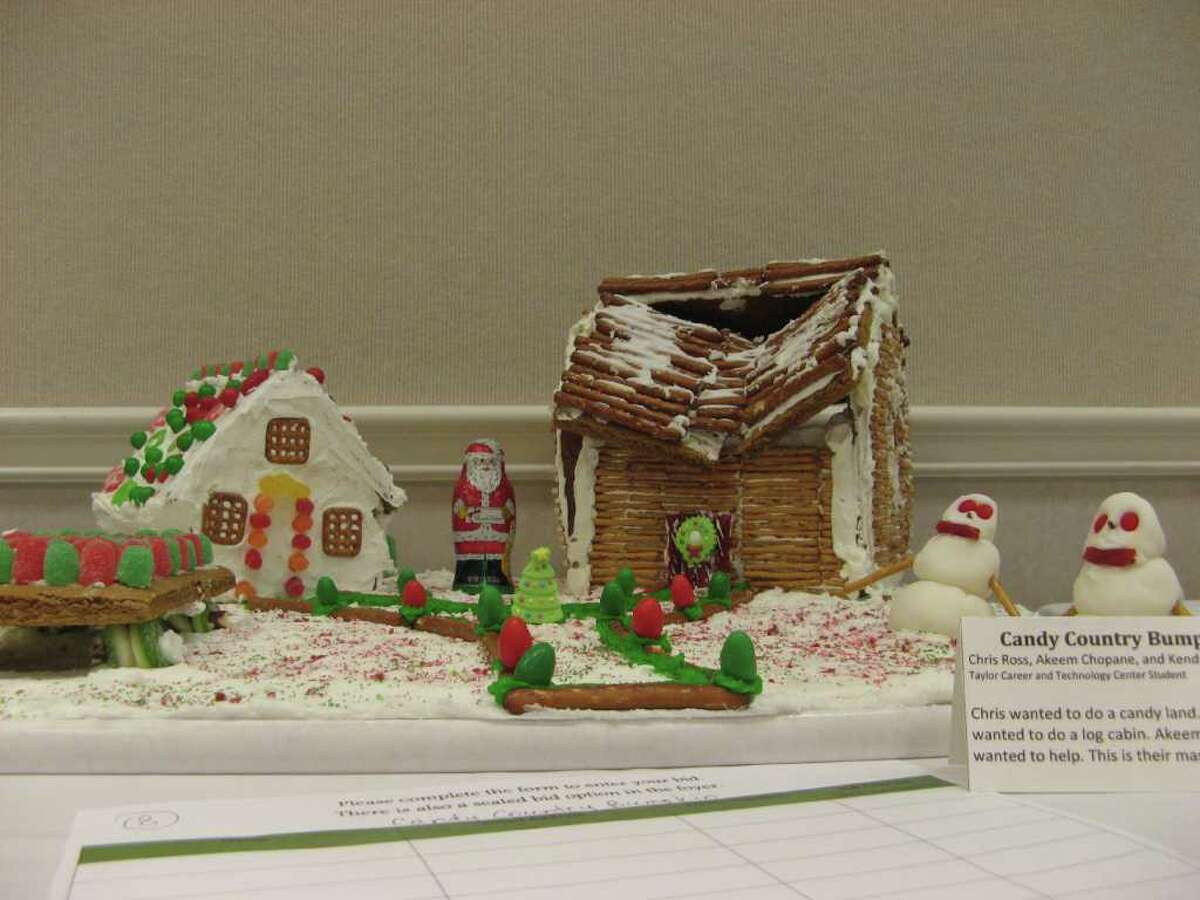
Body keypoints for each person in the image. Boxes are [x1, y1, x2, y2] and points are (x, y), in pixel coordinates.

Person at [451, 439, 516, 592]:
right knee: (470, 560)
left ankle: (498, 579)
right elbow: (459, 511)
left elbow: (509, 512)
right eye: (480, 461)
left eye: (491, 462)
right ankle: (468, 580)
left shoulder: (504, 488)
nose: (486, 466)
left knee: (497, 560)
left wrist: (500, 515)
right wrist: (470, 514)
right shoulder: (463, 488)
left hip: (497, 536)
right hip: (470, 535)